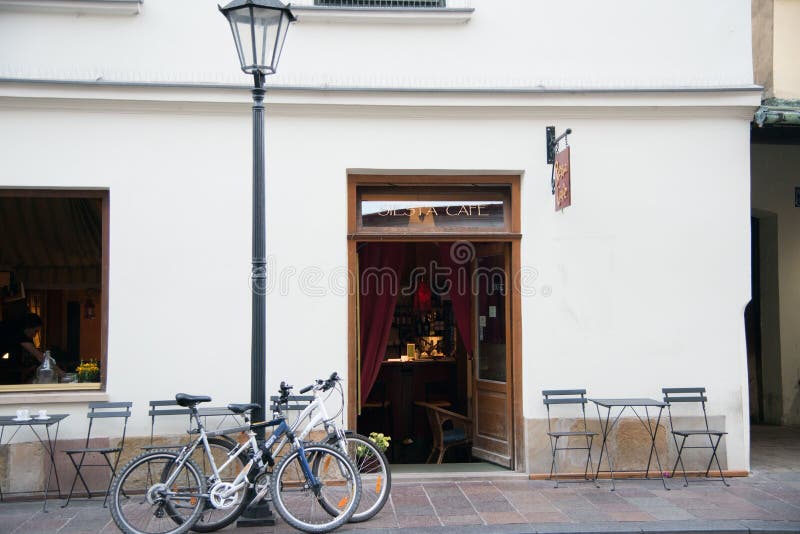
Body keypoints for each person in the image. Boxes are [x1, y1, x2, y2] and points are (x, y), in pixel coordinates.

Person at [0, 313, 62, 384]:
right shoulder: (17, 332)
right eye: (35, 331)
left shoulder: (21, 332)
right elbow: (40, 357)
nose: (35, 335)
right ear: (28, 327)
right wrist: (62, 373)